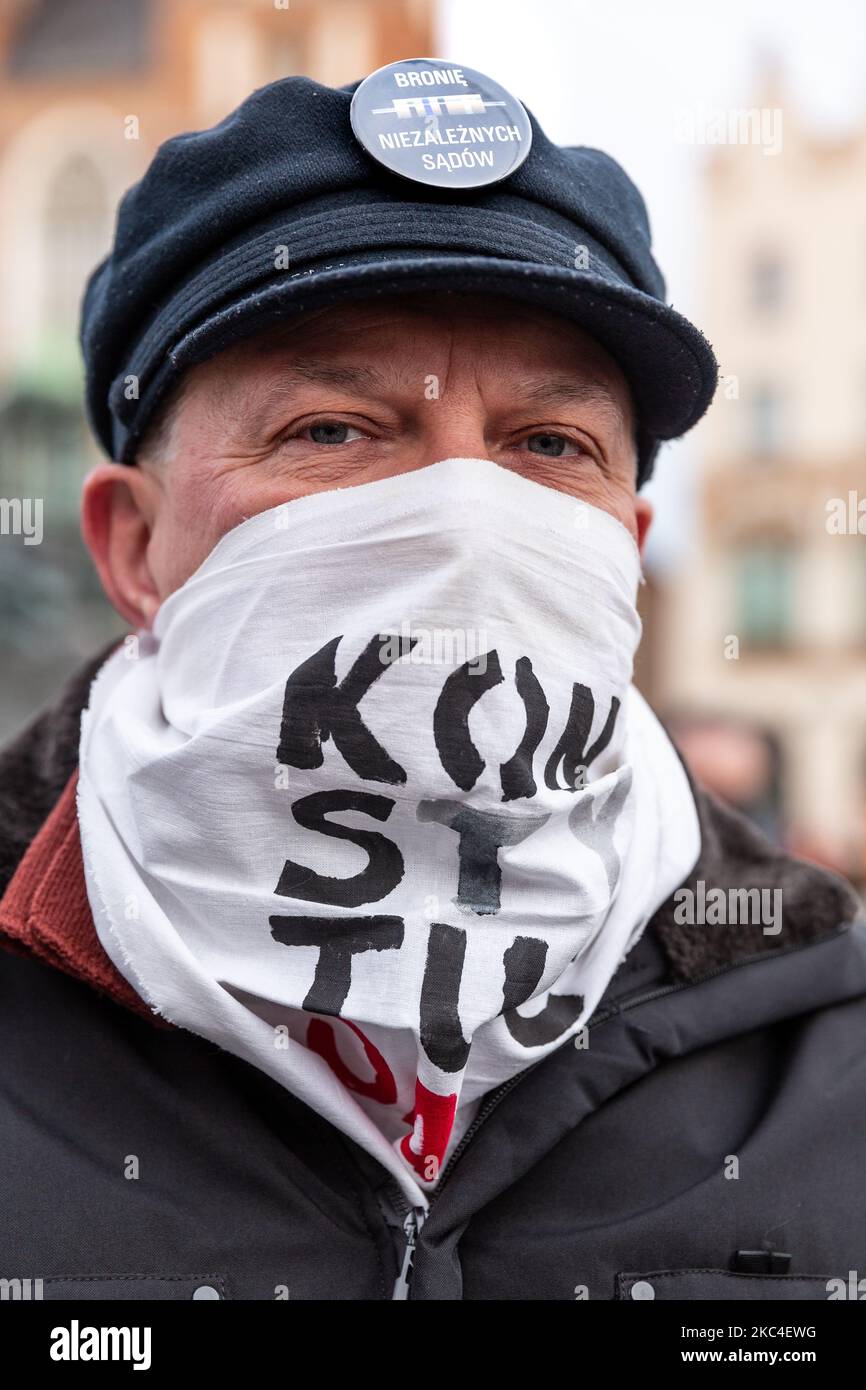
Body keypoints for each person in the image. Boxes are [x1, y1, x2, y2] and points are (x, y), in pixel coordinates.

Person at [1, 60, 863, 1303]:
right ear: (137, 549)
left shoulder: (824, 1044)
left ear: (624, 550)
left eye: (545, 445)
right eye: (332, 430)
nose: (464, 517)